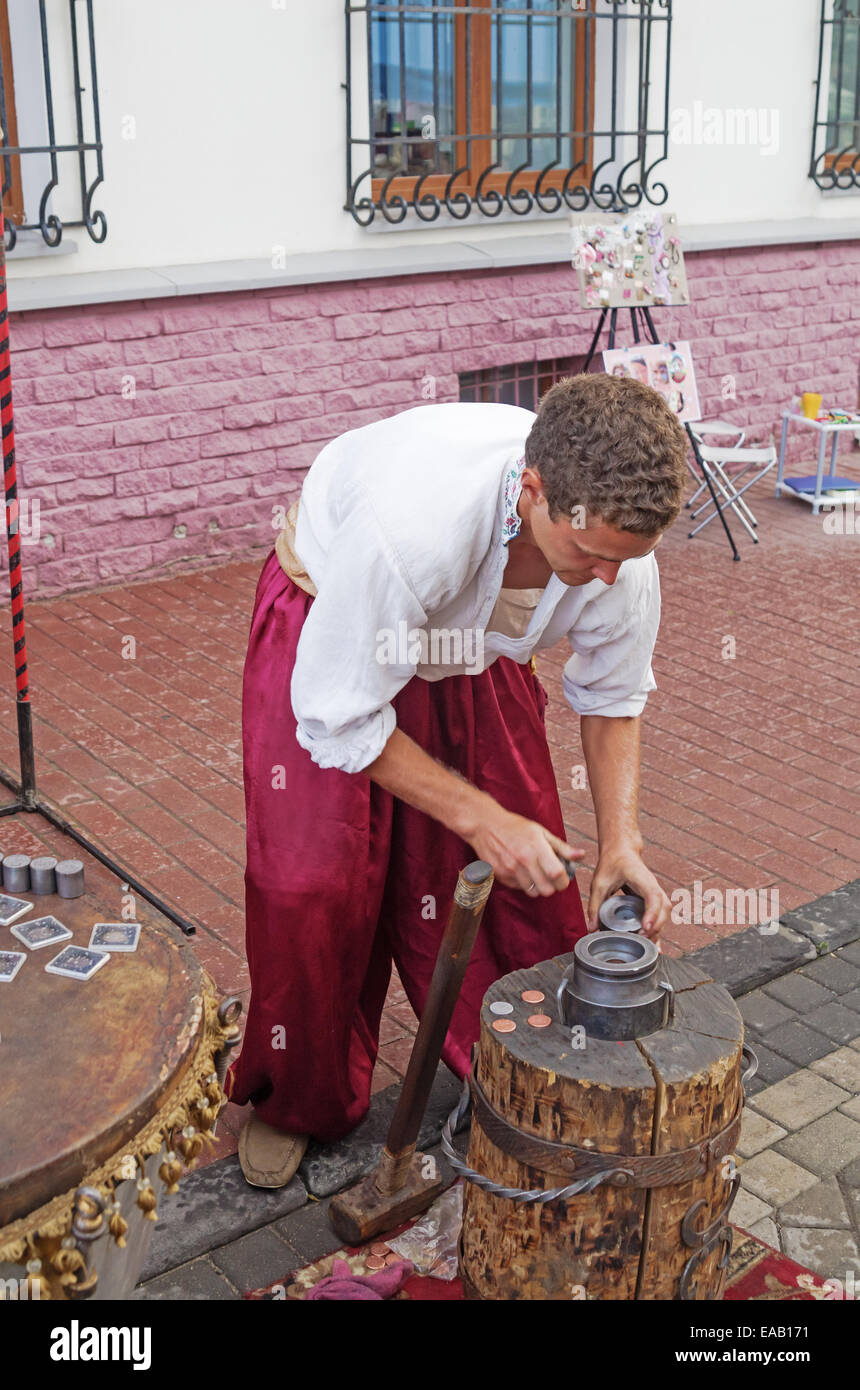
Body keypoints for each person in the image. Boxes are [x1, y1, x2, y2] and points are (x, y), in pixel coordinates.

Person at [226, 373, 688, 1188]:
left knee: (524, 880)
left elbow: (614, 694)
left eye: (627, 559)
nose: (607, 579)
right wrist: (479, 817)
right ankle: (296, 1099)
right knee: (313, 889)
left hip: (470, 650)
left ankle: (517, 1080)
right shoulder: (413, 525)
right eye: (590, 555)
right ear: (535, 492)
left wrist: (623, 841)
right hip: (334, 630)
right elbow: (336, 714)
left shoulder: (616, 552)